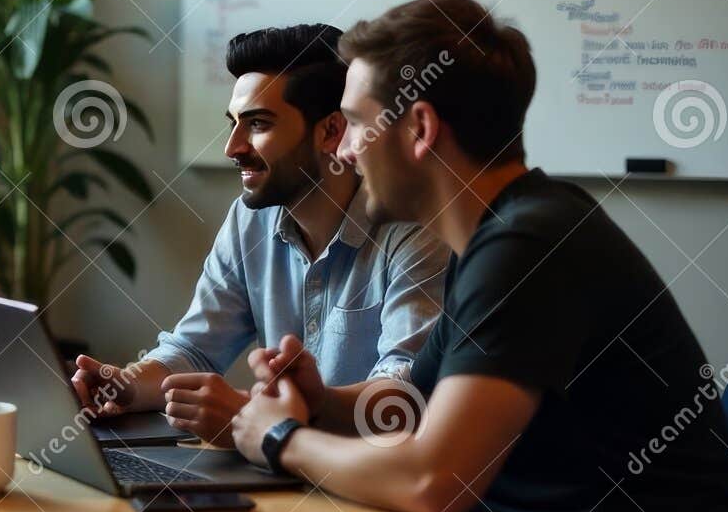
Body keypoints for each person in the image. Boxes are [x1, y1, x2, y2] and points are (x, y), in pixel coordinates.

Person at [75, 0, 728, 512]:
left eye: (357, 125)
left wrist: (277, 439)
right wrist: (319, 398)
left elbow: (430, 483)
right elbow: (412, 410)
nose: (344, 148)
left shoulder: (530, 247)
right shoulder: (495, 240)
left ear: (419, 127)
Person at [70, 24, 447, 444]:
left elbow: (401, 400)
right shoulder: (249, 221)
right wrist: (124, 383)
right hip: (283, 475)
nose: (232, 146)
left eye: (258, 124)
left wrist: (259, 418)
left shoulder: (414, 234)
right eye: (233, 123)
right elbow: (195, 349)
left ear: (331, 132)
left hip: (366, 488)